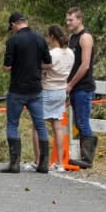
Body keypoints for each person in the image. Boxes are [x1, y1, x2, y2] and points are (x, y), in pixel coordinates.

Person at [1, 12, 52, 173]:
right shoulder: (40, 39)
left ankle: (14, 164)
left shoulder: (13, 40)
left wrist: (19, 65)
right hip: (36, 90)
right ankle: (43, 164)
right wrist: (35, 66)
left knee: (12, 124)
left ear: (14, 24)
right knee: (40, 125)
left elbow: (7, 67)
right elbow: (48, 64)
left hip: (17, 90)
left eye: (12, 27)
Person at [65, 7, 97, 168]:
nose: (68, 22)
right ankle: (83, 154)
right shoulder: (72, 37)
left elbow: (84, 65)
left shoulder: (86, 38)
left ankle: (87, 158)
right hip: (73, 86)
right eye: (67, 19)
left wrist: (70, 84)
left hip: (83, 86)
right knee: (78, 122)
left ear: (80, 19)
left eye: (71, 19)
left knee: (82, 122)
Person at [42, 25, 75, 171]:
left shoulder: (52, 54)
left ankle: (41, 160)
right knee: (58, 125)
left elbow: (44, 67)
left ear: (52, 37)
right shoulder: (70, 53)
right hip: (61, 89)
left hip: (48, 89)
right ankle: (60, 163)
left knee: (39, 125)